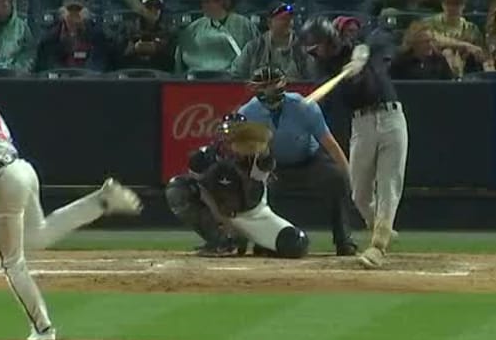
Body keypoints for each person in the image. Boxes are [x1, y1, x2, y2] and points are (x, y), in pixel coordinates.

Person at [0, 45, 142, 340]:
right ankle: (101, 201)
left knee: (12, 262)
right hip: (23, 169)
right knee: (37, 235)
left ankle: (43, 329)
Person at [300, 16, 406, 269]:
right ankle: (381, 227)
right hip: (361, 124)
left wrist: (361, 58)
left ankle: (378, 245)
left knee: (389, 184)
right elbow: (343, 93)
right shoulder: (324, 69)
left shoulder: (359, 47)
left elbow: (381, 42)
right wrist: (349, 75)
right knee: (359, 192)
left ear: (331, 39)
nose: (318, 51)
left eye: (320, 45)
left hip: (391, 117)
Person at [236, 66, 357, 255]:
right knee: (249, 187)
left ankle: (344, 239)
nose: (268, 90)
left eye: (272, 85)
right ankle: (260, 240)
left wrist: (349, 177)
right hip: (271, 165)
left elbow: (330, 145)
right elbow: (242, 153)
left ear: (282, 85)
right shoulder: (248, 113)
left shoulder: (304, 107)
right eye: (263, 86)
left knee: (335, 179)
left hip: (309, 161)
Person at [165, 112, 311, 258]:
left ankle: (260, 242)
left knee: (295, 243)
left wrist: (264, 145)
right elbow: (200, 189)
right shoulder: (204, 157)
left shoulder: (256, 158)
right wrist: (220, 218)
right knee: (178, 189)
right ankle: (220, 241)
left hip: (254, 215)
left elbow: (265, 165)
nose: (230, 140)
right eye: (228, 133)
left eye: (237, 135)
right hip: (221, 215)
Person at [173, 0, 255, 75]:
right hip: (198, 82)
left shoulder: (244, 25)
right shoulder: (195, 27)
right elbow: (180, 58)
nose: (203, 5)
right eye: (202, 2)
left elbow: (257, 54)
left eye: (207, 1)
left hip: (232, 82)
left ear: (222, 2)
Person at [413, 0, 485, 77]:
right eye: (448, 4)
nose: (452, 8)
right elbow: (433, 40)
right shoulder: (429, 23)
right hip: (433, 70)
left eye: (456, 5)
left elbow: (480, 53)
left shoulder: (471, 29)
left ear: (463, 6)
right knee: (447, 53)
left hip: (466, 70)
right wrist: (465, 45)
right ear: (442, 4)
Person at [231, 2, 308, 79]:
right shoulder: (254, 48)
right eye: (283, 19)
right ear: (270, 23)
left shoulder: (302, 48)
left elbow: (310, 78)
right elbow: (237, 75)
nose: (288, 22)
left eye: (290, 19)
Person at [36, 0, 111, 72]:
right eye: (70, 10)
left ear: (86, 13)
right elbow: (50, 65)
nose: (74, 14)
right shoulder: (50, 38)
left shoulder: (98, 37)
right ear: (62, 13)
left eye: (78, 10)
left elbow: (99, 65)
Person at [114, 0, 176, 72]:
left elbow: (172, 58)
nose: (153, 9)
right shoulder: (128, 27)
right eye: (149, 6)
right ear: (142, 8)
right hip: (131, 71)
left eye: (157, 6)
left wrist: (157, 48)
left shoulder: (168, 30)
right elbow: (117, 56)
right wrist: (134, 48)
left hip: (159, 72)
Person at [390, 26, 455, 81]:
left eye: (432, 40)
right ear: (414, 43)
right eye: (426, 42)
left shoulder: (439, 60)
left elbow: (449, 83)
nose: (430, 45)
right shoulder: (400, 62)